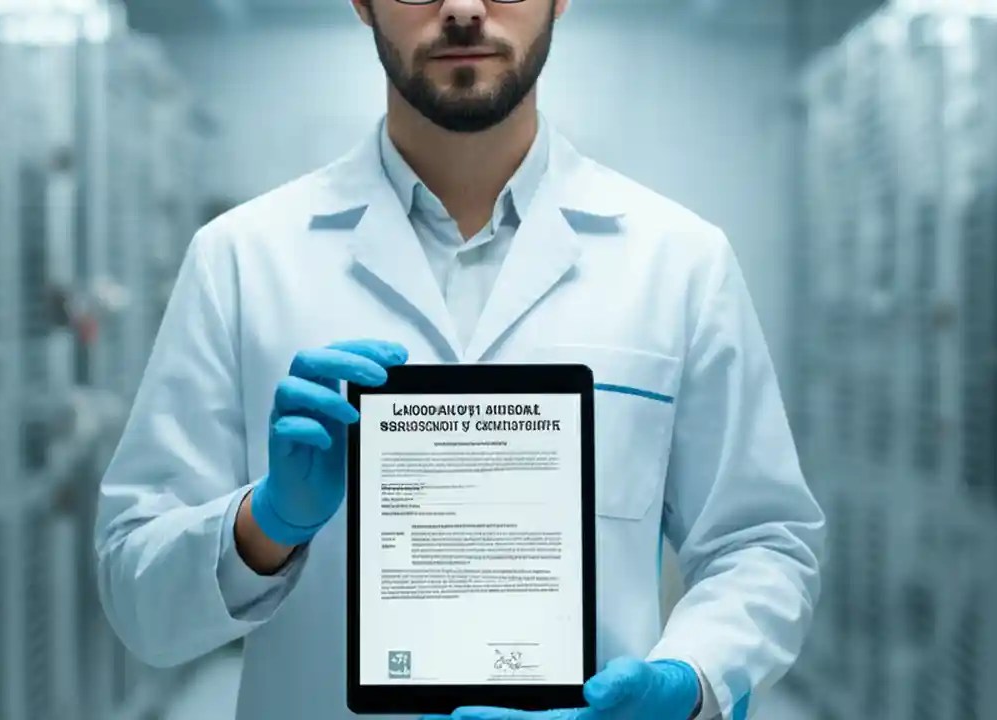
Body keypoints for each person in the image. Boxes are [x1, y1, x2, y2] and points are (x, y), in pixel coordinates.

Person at [94, 0, 826, 718]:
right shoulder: (243, 261)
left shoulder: (679, 262)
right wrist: (265, 524)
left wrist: (689, 680)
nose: (464, 9)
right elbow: (140, 603)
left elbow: (760, 542)